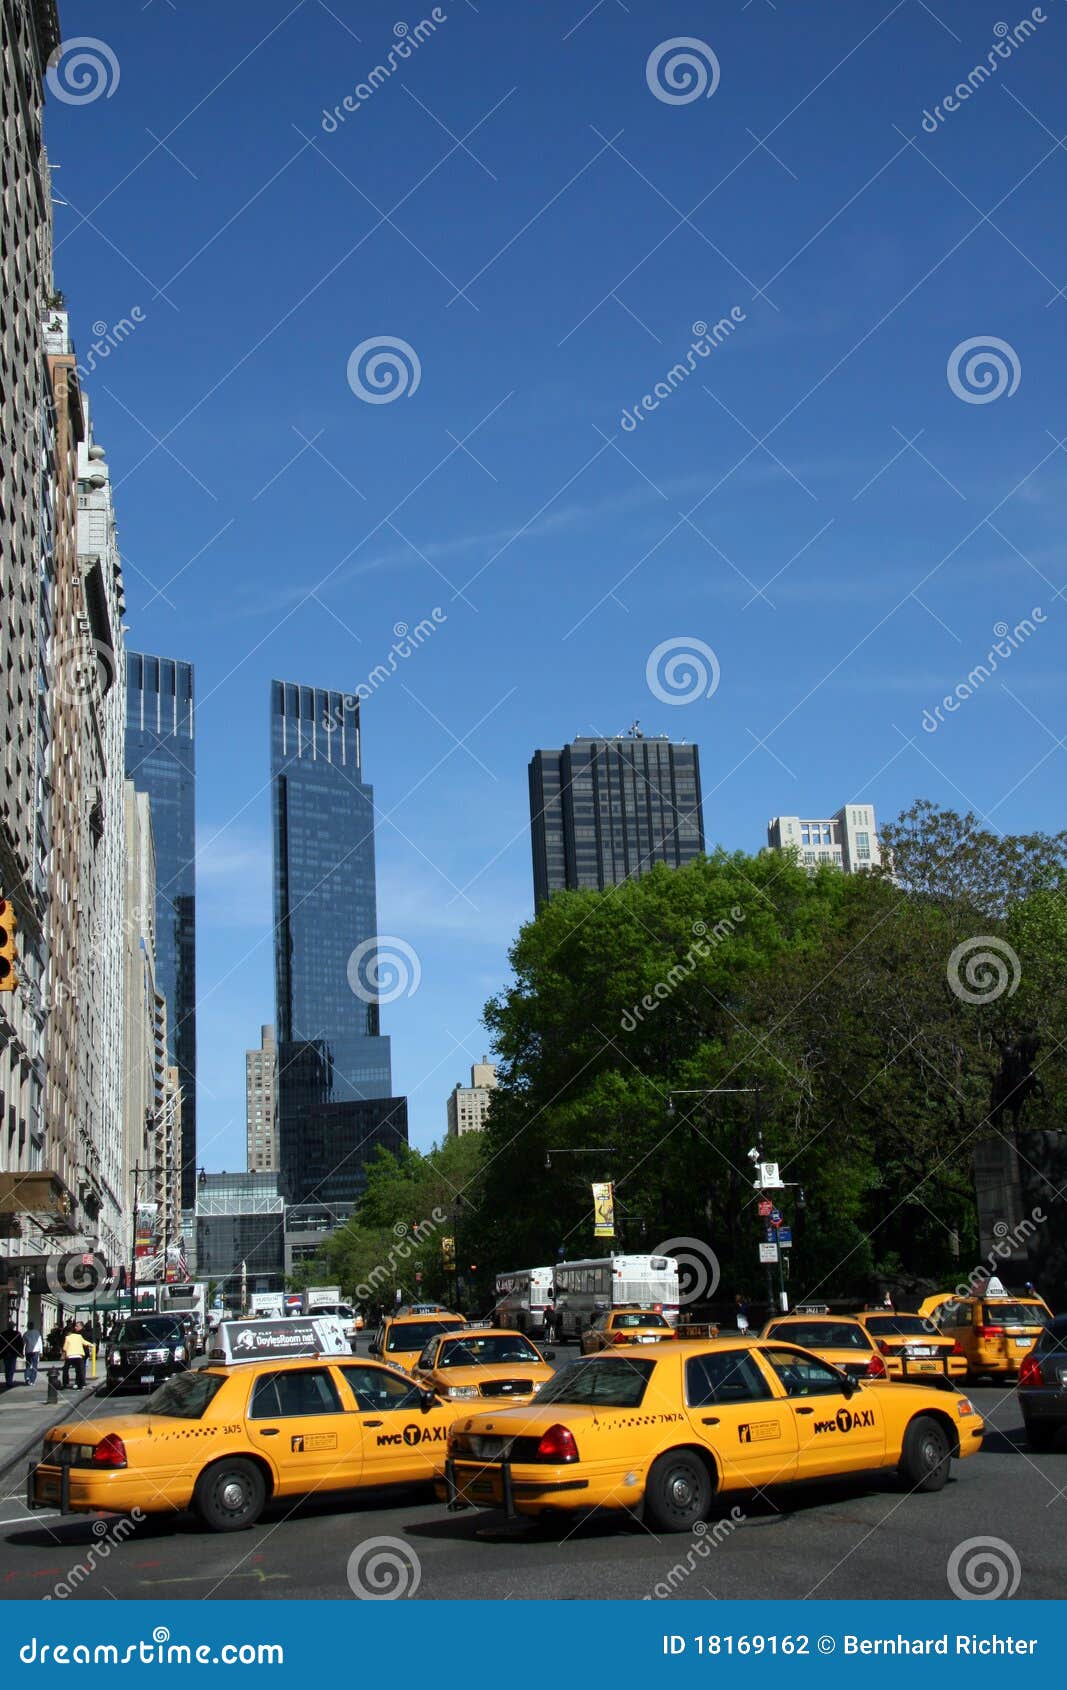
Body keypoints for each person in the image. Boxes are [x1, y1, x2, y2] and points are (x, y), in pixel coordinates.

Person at [61, 1321, 90, 1390]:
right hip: (78, 1354)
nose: (75, 1327)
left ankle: (78, 1383)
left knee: (79, 1369)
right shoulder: (76, 1333)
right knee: (80, 1369)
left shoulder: (83, 1334)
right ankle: (80, 1383)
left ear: (81, 1326)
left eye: (77, 1326)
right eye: (75, 1326)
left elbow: (85, 1342)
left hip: (80, 1354)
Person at [1, 1322, 23, 1387]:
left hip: (6, 1353)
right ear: (13, 1326)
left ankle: (8, 1380)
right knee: (11, 1368)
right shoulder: (17, 1334)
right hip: (13, 1353)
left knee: (7, 1368)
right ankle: (9, 1381)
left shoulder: (3, 1334)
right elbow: (20, 1344)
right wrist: (20, 1353)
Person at [22, 1321, 43, 1386]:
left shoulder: (26, 1333)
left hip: (28, 1351)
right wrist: (41, 1352)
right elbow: (40, 1342)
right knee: (34, 1366)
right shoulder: (37, 1332)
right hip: (36, 1351)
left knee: (28, 1365)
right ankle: (32, 1381)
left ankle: (27, 1378)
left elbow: (23, 1343)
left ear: (28, 1326)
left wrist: (22, 1352)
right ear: (33, 1326)